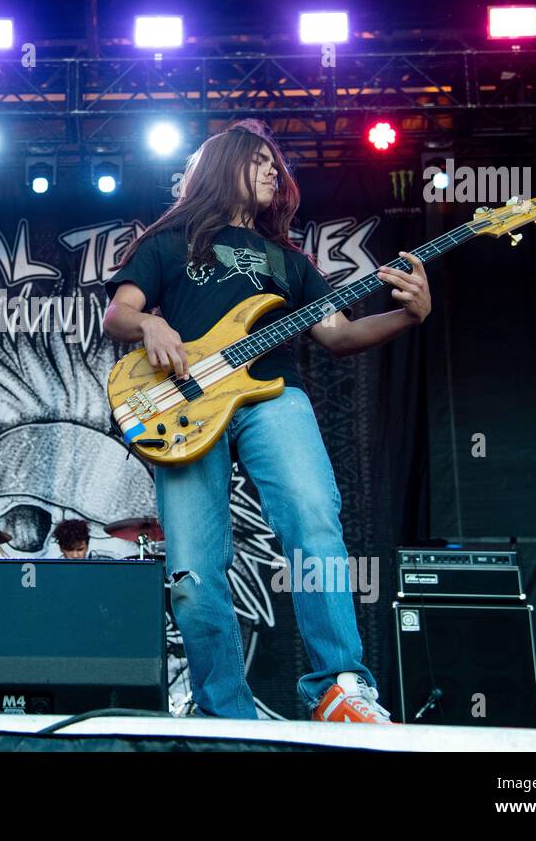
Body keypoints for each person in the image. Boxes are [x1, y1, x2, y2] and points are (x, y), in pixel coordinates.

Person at [102, 119, 431, 722]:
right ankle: (223, 713)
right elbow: (118, 314)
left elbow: (339, 334)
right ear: (222, 164)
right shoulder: (168, 240)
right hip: (185, 405)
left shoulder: (289, 261)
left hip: (274, 397)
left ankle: (339, 689)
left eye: (276, 166)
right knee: (193, 572)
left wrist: (408, 317)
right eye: (258, 161)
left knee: (313, 520)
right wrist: (151, 323)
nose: (272, 172)